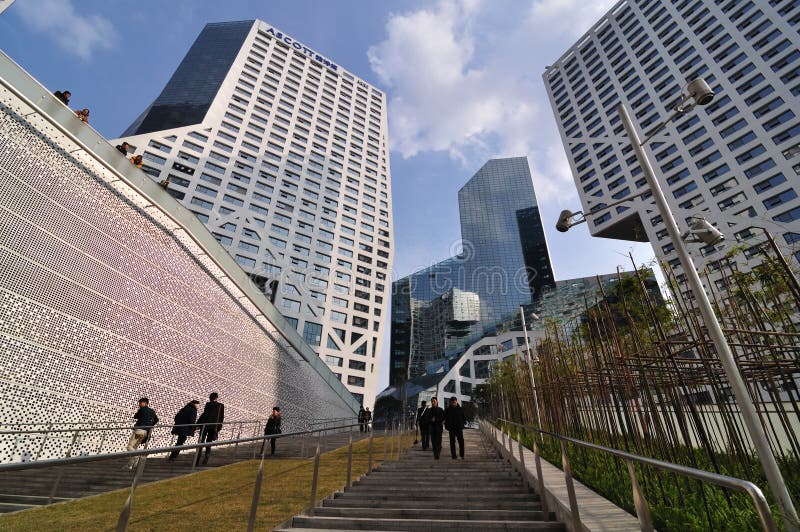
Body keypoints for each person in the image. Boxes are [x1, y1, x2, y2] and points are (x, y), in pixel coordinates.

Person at [126, 397, 158, 469]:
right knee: (134, 448)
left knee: (129, 447)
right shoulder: (152, 411)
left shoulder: (142, 409)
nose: (139, 404)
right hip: (145, 432)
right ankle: (130, 465)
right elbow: (156, 419)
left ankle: (137, 456)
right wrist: (150, 425)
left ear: (145, 403)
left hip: (138, 430)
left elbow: (135, 416)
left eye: (140, 403)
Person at [195, 392, 224, 465]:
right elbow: (221, 418)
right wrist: (218, 428)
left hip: (205, 425)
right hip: (213, 427)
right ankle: (207, 456)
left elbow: (205, 414)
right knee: (209, 442)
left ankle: (197, 459)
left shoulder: (208, 404)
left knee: (201, 442)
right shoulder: (221, 405)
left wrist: (198, 424)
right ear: (216, 397)